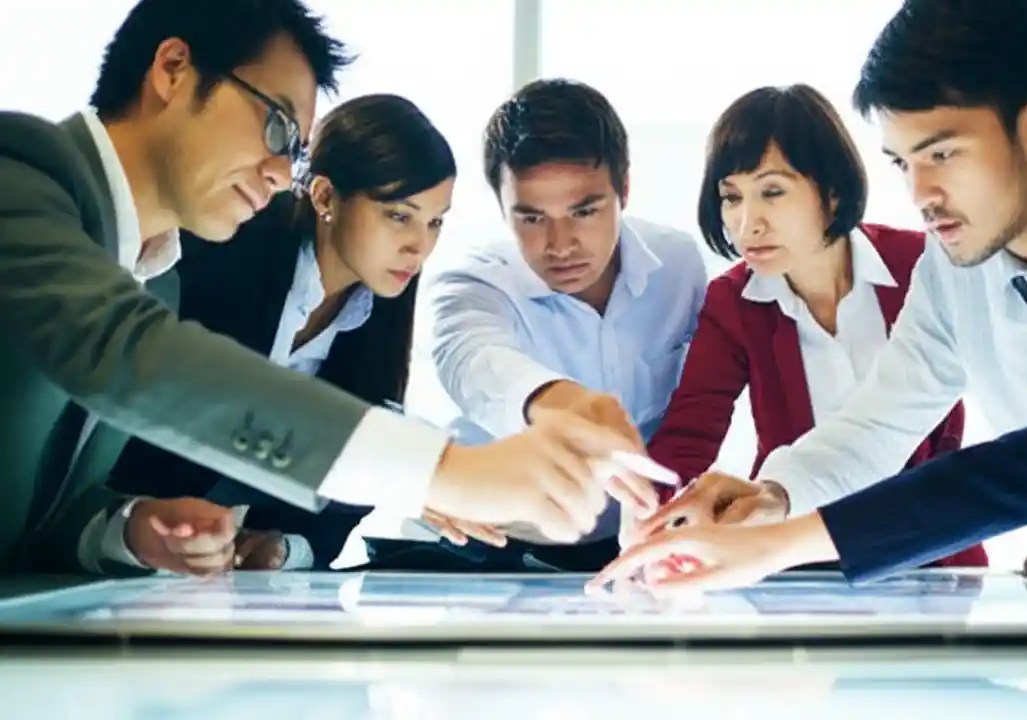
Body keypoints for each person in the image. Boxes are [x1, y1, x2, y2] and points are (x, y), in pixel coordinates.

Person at [593, 0, 1027, 618]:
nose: (921, 193)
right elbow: (908, 432)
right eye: (901, 163)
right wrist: (773, 510)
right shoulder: (956, 266)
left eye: (943, 154)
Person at [0, 0, 646, 577]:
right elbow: (126, 354)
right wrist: (444, 471)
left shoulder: (157, 283)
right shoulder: (20, 173)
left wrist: (131, 530)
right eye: (278, 126)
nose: (284, 173)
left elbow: (40, 524)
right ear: (172, 69)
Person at [363, 79, 708, 572]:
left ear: (624, 190)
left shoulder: (679, 266)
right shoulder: (472, 283)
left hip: (624, 549)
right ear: (501, 208)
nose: (561, 243)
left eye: (584, 211)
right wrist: (564, 406)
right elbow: (477, 363)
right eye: (531, 218)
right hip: (477, 548)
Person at [109, 94, 455, 571]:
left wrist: (289, 547)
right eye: (399, 215)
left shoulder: (377, 312)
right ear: (325, 196)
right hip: (96, 527)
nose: (420, 244)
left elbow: (334, 513)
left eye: (435, 221)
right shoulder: (226, 248)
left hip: (198, 572)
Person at [645, 84, 984, 568]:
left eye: (772, 192)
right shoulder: (734, 301)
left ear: (832, 190)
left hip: (932, 544)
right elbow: (691, 432)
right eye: (731, 197)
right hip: (795, 555)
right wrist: (652, 516)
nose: (746, 224)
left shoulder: (922, 264)